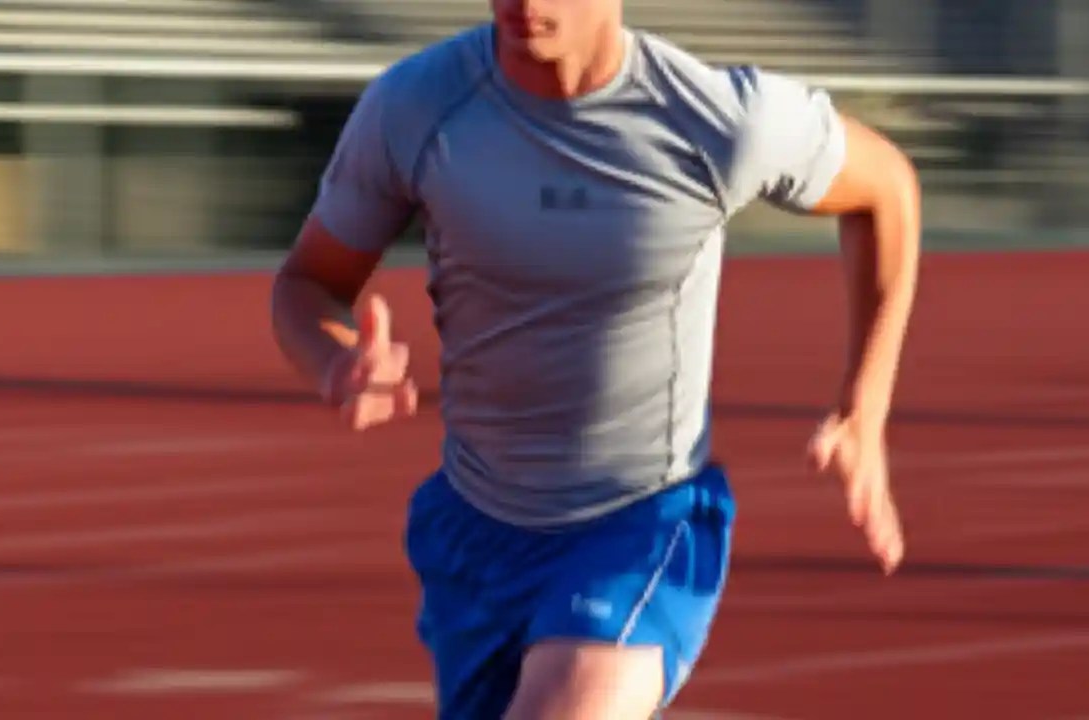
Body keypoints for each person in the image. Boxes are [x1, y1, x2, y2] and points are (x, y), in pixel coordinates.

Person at [270, 0, 921, 716]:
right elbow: (308, 285)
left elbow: (885, 187)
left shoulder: (715, 120)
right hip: (475, 533)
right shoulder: (416, 108)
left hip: (641, 523)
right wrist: (335, 363)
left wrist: (866, 407)